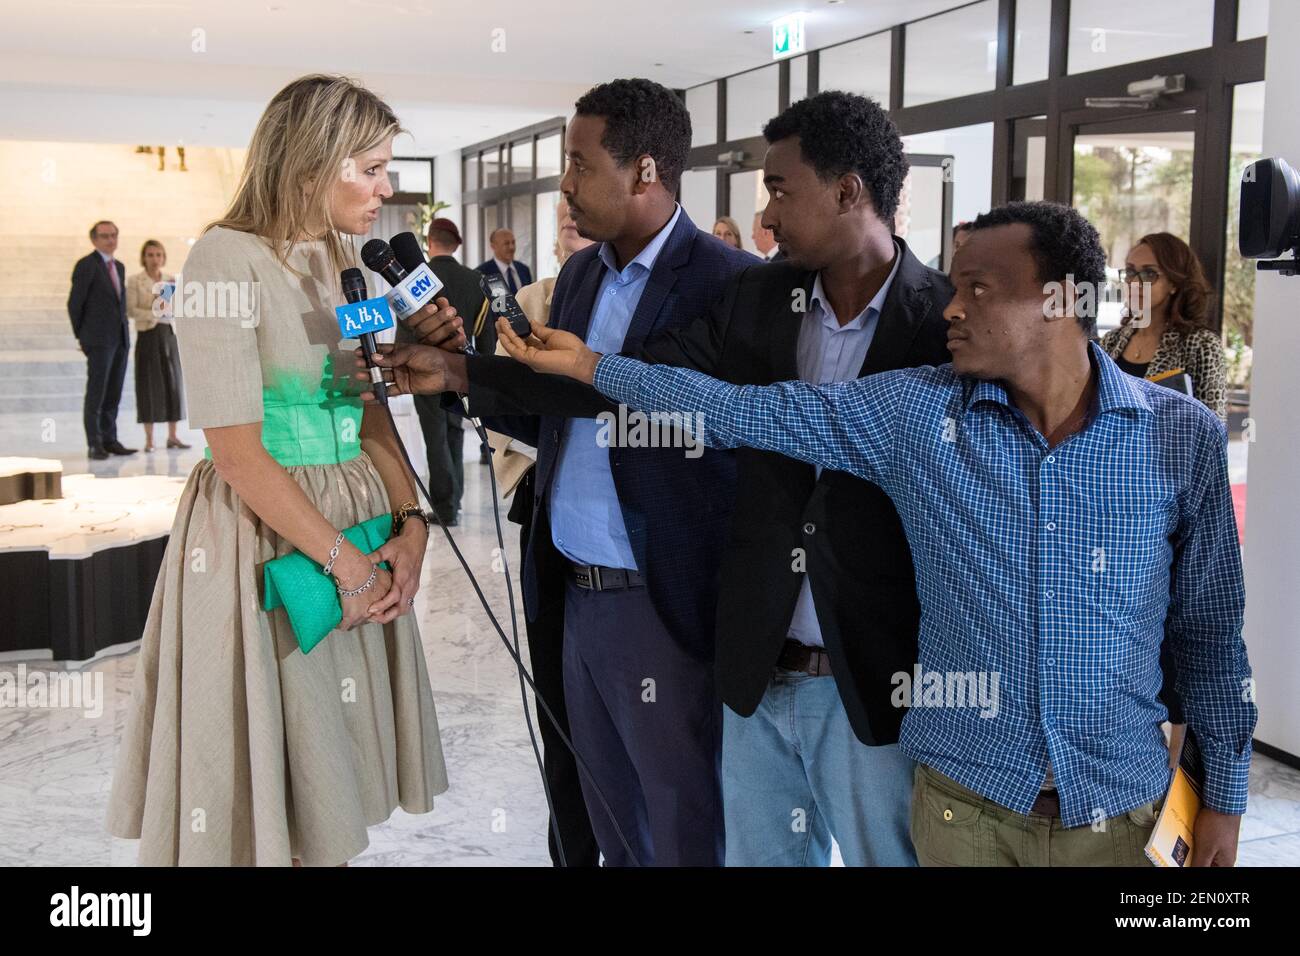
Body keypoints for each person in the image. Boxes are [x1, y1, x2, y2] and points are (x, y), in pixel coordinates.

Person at [485, 200, 1257, 867]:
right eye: (954, 288)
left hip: (1121, 814)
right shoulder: (920, 415)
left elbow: (1211, 634)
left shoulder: (1176, 439)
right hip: (966, 815)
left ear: (1060, 300)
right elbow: (746, 411)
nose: (951, 309)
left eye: (979, 290)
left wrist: (1222, 797)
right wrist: (594, 367)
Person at [366, 90, 951, 867]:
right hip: (736, 652)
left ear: (848, 192)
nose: (767, 218)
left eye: (779, 190)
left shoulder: (939, 323)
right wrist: (461, 370)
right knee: (665, 832)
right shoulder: (757, 298)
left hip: (850, 661)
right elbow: (626, 382)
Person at [394, 78, 754, 866]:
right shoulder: (584, 276)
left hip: (660, 599)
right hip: (570, 591)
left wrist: (477, 376)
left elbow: (669, 411)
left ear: (645, 172)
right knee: (600, 814)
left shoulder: (726, 282)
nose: (563, 185)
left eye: (579, 165)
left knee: (681, 819)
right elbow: (560, 408)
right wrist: (456, 375)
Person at [105, 74, 451, 867]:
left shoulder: (349, 258)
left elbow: (367, 408)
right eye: (368, 167)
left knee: (336, 773)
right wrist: (345, 562)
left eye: (385, 166)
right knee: (275, 787)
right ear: (310, 162)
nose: (385, 187)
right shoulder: (224, 259)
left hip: (355, 527)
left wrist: (410, 526)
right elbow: (236, 450)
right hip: (267, 532)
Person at [486, 196, 600, 867]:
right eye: (561, 209)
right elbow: (509, 411)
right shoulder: (531, 299)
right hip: (547, 513)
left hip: (638, 545)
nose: (570, 215)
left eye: (580, 202)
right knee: (560, 714)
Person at [396, 217, 486, 525]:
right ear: (456, 244)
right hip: (463, 371)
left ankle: (446, 508)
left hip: (424, 372)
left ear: (430, 242)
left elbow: (406, 332)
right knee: (455, 434)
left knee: (435, 439)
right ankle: (455, 500)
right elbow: (485, 336)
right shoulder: (474, 280)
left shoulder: (414, 279)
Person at [1102, 232, 1228, 421]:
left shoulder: (1201, 345)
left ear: (1174, 283)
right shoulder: (1111, 341)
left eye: (1149, 273)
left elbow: (1214, 427)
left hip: (1172, 450)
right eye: (1130, 272)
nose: (1135, 283)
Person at [68, 220, 136, 460]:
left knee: (114, 392)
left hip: (119, 340)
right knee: (97, 392)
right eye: (105, 236)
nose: (111, 240)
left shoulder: (119, 266)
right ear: (94, 239)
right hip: (98, 341)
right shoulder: (86, 265)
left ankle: (110, 439)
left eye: (114, 235)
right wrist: (82, 337)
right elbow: (75, 304)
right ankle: (94, 443)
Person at [126, 240, 189, 452]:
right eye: (151, 255)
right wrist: (154, 308)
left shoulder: (171, 280)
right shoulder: (136, 281)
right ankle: (149, 440)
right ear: (144, 257)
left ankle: (173, 436)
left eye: (158, 255)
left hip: (169, 335)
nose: (155, 259)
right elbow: (131, 310)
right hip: (148, 335)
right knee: (148, 385)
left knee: (173, 384)